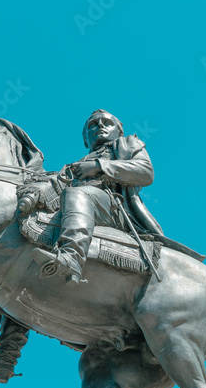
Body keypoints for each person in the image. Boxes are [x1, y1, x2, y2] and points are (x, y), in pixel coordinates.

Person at [32, 109, 162, 285]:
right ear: (86, 139)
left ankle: (71, 257)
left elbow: (145, 172)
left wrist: (99, 167)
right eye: (93, 125)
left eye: (107, 122)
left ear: (119, 131)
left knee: (77, 194)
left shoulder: (128, 143)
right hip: (72, 208)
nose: (100, 125)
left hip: (114, 209)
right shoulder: (74, 164)